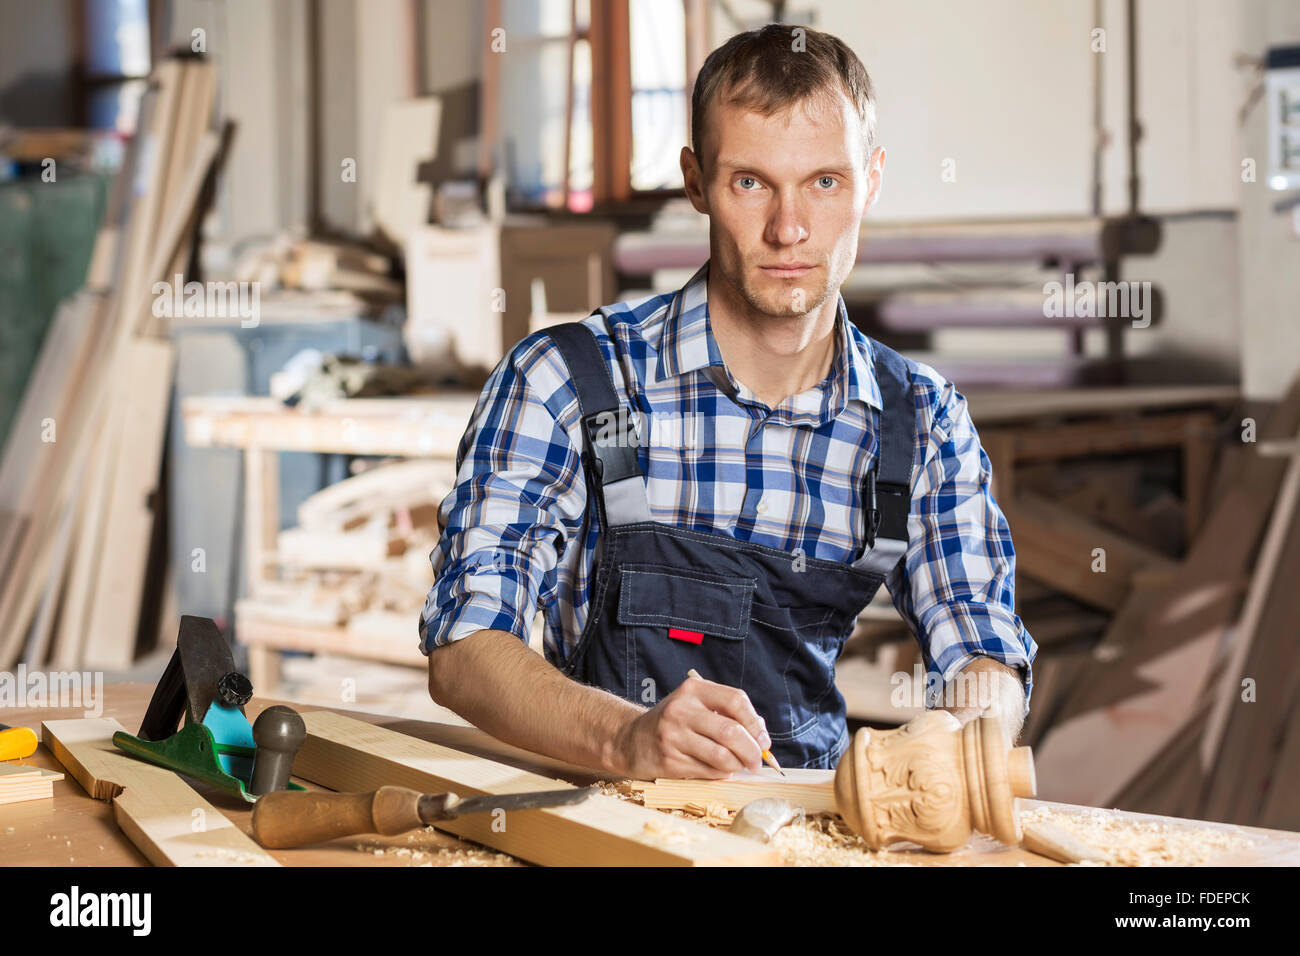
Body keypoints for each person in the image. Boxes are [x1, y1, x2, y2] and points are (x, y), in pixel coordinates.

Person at [419, 23, 1037, 779]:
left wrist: (958, 742)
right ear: (696, 181)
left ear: (871, 180)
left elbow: (984, 646)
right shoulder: (567, 383)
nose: (789, 228)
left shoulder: (920, 427)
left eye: (825, 182)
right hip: (599, 827)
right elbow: (464, 649)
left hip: (801, 832)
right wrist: (627, 740)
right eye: (752, 182)